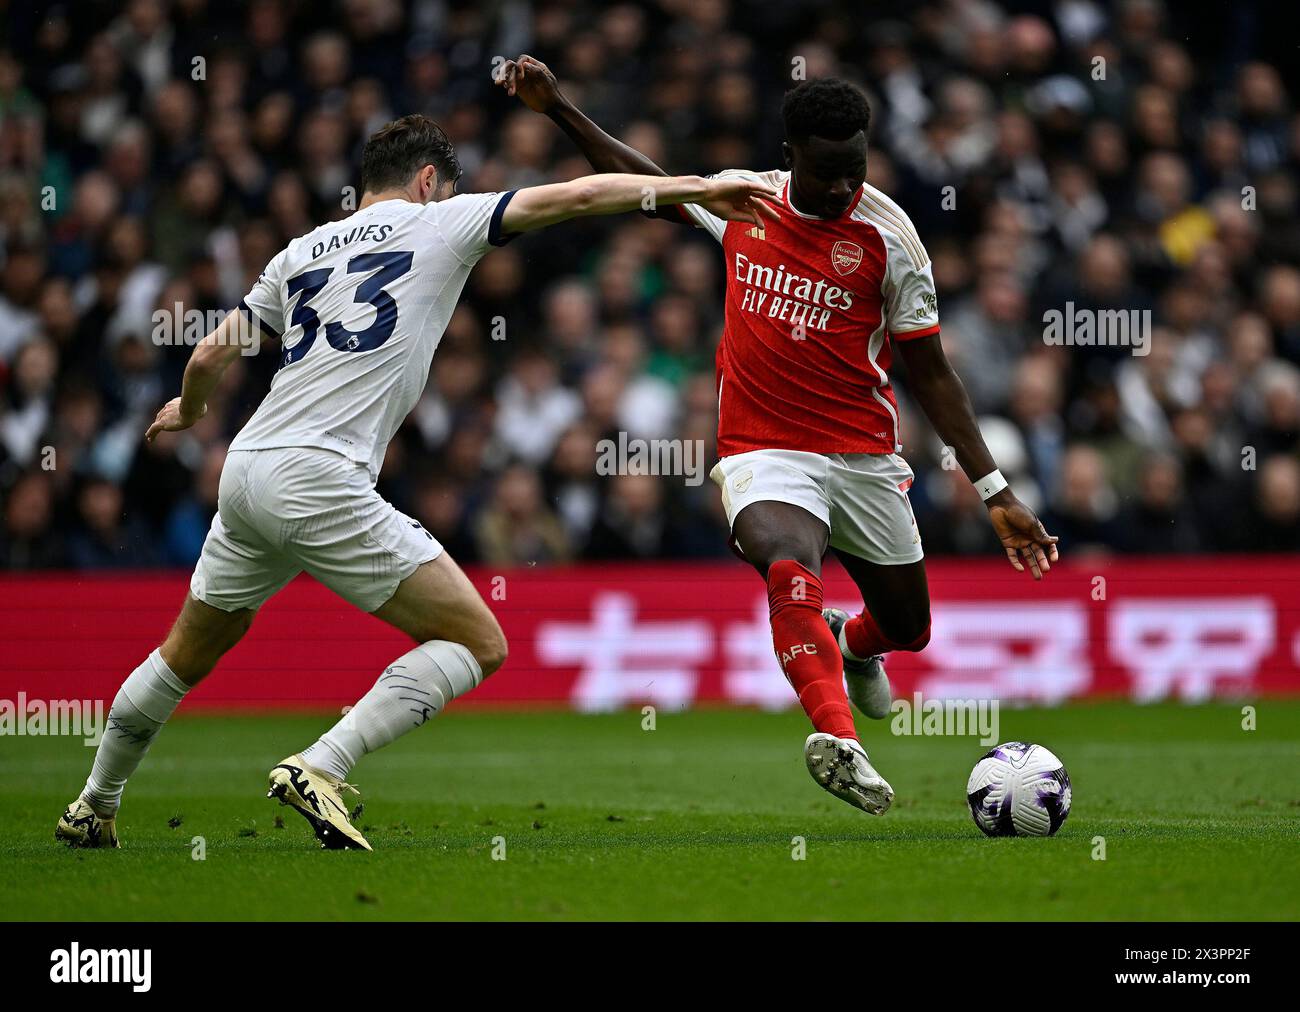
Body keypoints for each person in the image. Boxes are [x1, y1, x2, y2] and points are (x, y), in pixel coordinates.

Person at [56, 113, 778, 851]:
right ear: (429, 180)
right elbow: (579, 196)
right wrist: (695, 188)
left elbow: (210, 352)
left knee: (187, 652)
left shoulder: (298, 253)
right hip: (319, 476)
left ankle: (93, 803)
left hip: (245, 468)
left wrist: (189, 411)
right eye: (445, 187)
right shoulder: (443, 223)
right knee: (479, 642)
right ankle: (322, 764)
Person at [500, 58, 1059, 815]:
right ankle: (839, 739)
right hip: (764, 449)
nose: (842, 187)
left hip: (862, 454)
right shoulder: (745, 198)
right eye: (828, 171)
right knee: (786, 559)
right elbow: (644, 186)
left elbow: (930, 373)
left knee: (910, 626)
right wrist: (560, 108)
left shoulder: (891, 237)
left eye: (855, 169)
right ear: (791, 153)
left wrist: (994, 491)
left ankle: (853, 643)